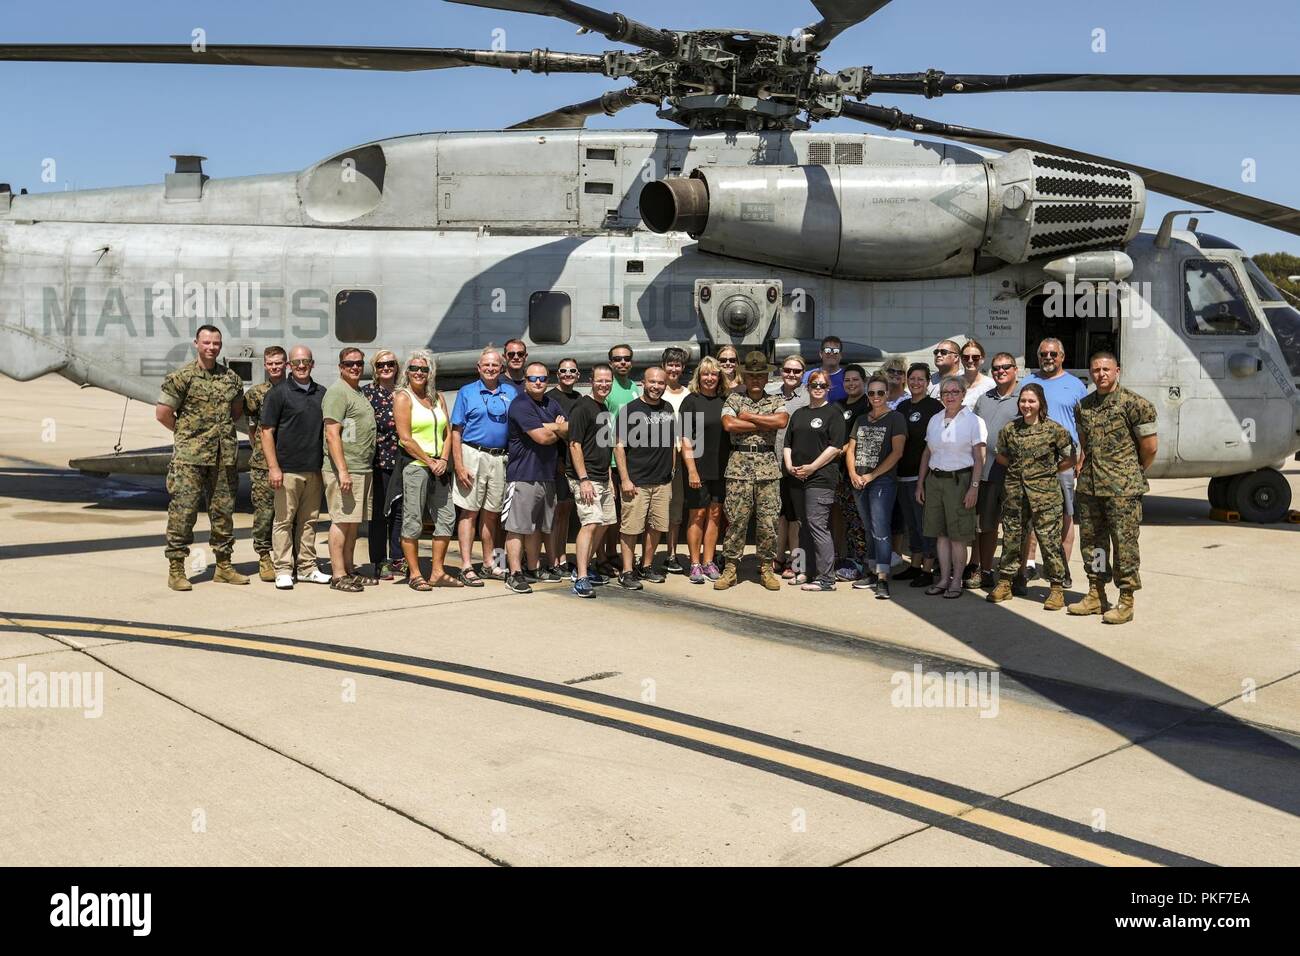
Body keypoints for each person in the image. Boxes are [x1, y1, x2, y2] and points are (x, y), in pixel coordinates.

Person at [156, 324, 249, 591]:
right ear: (196, 343)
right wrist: (186, 435)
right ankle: (176, 569)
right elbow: (163, 413)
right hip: (190, 459)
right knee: (183, 514)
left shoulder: (231, 378)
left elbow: (236, 412)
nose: (211, 348)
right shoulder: (182, 377)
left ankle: (224, 566)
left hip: (223, 458)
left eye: (216, 343)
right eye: (206, 343)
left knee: (223, 513)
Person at [1069, 352, 1158, 625]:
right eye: (1096, 370)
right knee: (1094, 545)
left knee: (1124, 545)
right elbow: (1084, 443)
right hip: (1090, 488)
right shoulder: (1083, 406)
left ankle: (1126, 599)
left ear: (1117, 370)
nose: (1101, 375)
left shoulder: (1136, 404)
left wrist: (1131, 473)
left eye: (1106, 369)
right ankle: (1096, 593)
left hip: (1123, 489)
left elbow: (1150, 448)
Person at [987, 384, 1075, 610]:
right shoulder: (1010, 429)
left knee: (1050, 540)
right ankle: (1006, 581)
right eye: (1023, 401)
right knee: (1012, 537)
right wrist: (1021, 471)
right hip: (1015, 493)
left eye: (1031, 401)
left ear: (1040, 404)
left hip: (1045, 495)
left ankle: (1056, 588)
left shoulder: (1054, 430)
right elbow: (1001, 457)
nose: (1026, 405)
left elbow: (1070, 458)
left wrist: (1046, 472)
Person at [259, 345, 330, 589]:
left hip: (314, 469)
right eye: (297, 362)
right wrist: (273, 467)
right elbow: (266, 432)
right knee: (283, 521)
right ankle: (283, 569)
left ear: (312, 364)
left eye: (305, 362)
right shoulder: (278, 394)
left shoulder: (321, 393)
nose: (301, 366)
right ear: (290, 365)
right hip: (287, 469)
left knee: (309, 521)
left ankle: (307, 567)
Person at [716, 351, 789, 591]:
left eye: (761, 376)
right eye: (751, 376)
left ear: (767, 379)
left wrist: (747, 417)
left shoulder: (776, 401)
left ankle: (767, 568)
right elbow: (728, 424)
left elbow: (781, 422)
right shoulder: (734, 400)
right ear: (744, 377)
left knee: (768, 523)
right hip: (738, 468)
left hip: (768, 468)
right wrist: (761, 419)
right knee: (736, 520)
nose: (756, 380)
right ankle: (730, 568)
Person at [1020, 337, 1089, 587]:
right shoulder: (1028, 382)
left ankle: (1061, 568)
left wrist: (1082, 457)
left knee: (1066, 515)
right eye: (1043, 354)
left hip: (1064, 459)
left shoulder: (1075, 386)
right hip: (1032, 459)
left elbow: (1083, 426)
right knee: (1031, 514)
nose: (1048, 358)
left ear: (1062, 357)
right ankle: (1028, 564)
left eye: (1053, 354)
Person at [390, 351, 460, 590]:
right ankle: (415, 573)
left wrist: (443, 458)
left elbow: (447, 432)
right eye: (414, 368)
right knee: (412, 520)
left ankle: (438, 572)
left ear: (430, 373)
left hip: (439, 466)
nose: (419, 373)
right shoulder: (402, 397)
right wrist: (429, 462)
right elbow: (405, 439)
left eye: (424, 369)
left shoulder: (438, 397)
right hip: (416, 467)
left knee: (447, 517)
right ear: (407, 372)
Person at [450, 348, 519, 586]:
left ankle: (490, 563)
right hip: (473, 454)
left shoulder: (510, 391)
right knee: (470, 511)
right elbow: (456, 431)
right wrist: (458, 464)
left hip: (500, 458)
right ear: (478, 368)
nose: (491, 368)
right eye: (486, 365)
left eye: (495, 365)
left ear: (502, 368)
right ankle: (467, 565)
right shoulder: (467, 392)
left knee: (492, 513)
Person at [916, 376, 986, 598]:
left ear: (963, 394)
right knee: (941, 535)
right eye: (946, 392)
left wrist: (974, 487)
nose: (950, 396)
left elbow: (979, 457)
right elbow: (927, 452)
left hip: (960, 481)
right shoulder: (935, 419)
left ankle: (957, 580)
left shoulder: (974, 421)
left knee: (958, 536)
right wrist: (920, 484)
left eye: (955, 392)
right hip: (935, 481)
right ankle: (944, 579)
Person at [502, 363, 568, 594]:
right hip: (523, 475)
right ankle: (514, 573)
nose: (538, 382)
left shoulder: (552, 403)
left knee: (538, 526)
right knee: (517, 527)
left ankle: (532, 568)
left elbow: (567, 428)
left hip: (546, 475)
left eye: (542, 378)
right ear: (526, 381)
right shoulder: (521, 404)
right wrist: (554, 428)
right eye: (533, 378)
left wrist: (554, 429)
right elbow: (542, 437)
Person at [613, 366, 677, 589]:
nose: (656, 387)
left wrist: (672, 472)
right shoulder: (630, 410)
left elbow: (671, 444)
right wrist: (625, 479)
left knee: (656, 526)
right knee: (631, 529)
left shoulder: (668, 408)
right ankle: (627, 571)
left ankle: (646, 566)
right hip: (636, 482)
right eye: (652, 382)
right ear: (643, 382)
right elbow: (618, 446)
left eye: (660, 383)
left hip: (662, 481)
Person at [783, 369, 846, 591]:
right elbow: (787, 443)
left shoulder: (834, 413)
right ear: (807, 387)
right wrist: (790, 465)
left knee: (818, 525)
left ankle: (826, 578)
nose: (818, 388)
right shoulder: (799, 414)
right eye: (814, 384)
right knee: (801, 525)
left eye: (822, 385)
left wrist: (812, 467)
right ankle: (803, 570)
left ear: (829, 388)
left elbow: (835, 447)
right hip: (796, 477)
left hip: (820, 478)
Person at [322, 347, 379, 592]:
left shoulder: (357, 392)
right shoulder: (337, 392)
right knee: (341, 521)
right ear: (340, 366)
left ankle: (349, 569)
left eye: (358, 363)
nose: (354, 367)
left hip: (362, 468)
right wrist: (342, 471)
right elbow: (332, 434)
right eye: (349, 363)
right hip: (346, 470)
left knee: (353, 523)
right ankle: (337, 575)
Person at [846, 373, 906, 599]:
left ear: (888, 394)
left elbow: (897, 452)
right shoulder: (861, 419)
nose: (876, 397)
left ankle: (883, 578)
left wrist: (871, 475)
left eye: (880, 392)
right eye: (871, 393)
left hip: (882, 481)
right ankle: (871, 571)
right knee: (869, 528)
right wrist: (853, 473)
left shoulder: (895, 418)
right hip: (859, 480)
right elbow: (851, 449)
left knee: (881, 528)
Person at [566, 364, 618, 597]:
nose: (604, 385)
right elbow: (574, 444)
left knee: (605, 522)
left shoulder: (604, 408)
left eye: (608, 381)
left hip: (602, 477)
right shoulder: (582, 407)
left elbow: (604, 447)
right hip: (585, 478)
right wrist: (584, 479)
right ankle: (582, 576)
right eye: (600, 381)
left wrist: (609, 477)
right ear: (591, 381)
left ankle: (584, 565)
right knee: (590, 523)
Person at [972, 353, 1021, 591]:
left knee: (1016, 527)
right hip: (987, 473)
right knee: (987, 526)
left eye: (1005, 367)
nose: (1000, 371)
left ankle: (1017, 574)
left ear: (1015, 370)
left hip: (1014, 475)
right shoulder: (984, 399)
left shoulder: (1025, 398)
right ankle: (986, 570)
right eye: (996, 368)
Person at [680, 356, 731, 583]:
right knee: (697, 514)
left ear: (719, 377)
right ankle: (695, 564)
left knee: (715, 514)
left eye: (713, 374)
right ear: (698, 376)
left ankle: (709, 561)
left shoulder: (726, 400)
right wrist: (691, 470)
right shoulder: (691, 401)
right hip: (697, 468)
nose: (709, 378)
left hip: (721, 467)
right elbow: (685, 438)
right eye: (705, 374)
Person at [894, 363, 943, 589]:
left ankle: (927, 567)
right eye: (912, 378)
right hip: (901, 476)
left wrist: (923, 480)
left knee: (925, 524)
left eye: (920, 379)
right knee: (911, 524)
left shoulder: (934, 407)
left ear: (927, 382)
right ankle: (914, 564)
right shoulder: (902, 407)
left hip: (922, 476)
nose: (915, 383)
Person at [242, 345, 286, 583]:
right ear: (265, 366)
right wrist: (256, 443)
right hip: (262, 464)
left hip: (291, 461)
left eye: (279, 362)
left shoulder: (294, 390)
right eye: (271, 363)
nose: (275, 367)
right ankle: (264, 555)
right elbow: (249, 422)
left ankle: (288, 556)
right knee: (265, 512)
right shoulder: (256, 393)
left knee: (290, 514)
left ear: (286, 364)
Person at [362, 349, 404, 580]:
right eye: (380, 365)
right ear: (375, 369)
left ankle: (397, 557)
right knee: (378, 514)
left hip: (403, 460)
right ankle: (379, 561)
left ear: (396, 367)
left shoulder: (404, 393)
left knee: (399, 511)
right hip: (378, 461)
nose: (386, 368)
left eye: (389, 364)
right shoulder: (367, 394)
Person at [769, 354, 808, 578]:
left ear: (803, 374)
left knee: (798, 518)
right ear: (781, 371)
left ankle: (798, 562)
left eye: (797, 371)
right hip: (773, 464)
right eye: (788, 370)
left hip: (797, 466)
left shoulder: (806, 396)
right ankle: (779, 557)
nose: (791, 374)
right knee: (780, 515)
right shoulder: (771, 395)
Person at [601, 344, 640, 568]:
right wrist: (606, 468)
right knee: (608, 515)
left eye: (626, 358)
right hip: (610, 460)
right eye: (617, 359)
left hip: (629, 460)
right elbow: (602, 429)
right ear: (611, 363)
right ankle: (604, 557)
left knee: (624, 514)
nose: (622, 362)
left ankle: (615, 554)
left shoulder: (634, 387)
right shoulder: (607, 388)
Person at [543, 358, 582, 578]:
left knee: (567, 512)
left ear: (578, 375)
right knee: (555, 513)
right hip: (556, 463)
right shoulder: (549, 398)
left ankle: (563, 556)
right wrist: (560, 430)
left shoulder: (579, 399)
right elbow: (548, 432)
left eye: (572, 371)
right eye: (563, 371)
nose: (568, 374)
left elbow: (576, 431)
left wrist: (561, 428)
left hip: (573, 463)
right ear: (557, 374)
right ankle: (553, 559)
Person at [832, 365, 870, 578]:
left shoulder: (868, 405)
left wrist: (837, 451)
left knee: (858, 518)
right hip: (839, 472)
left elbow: (858, 440)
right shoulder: (837, 405)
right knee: (844, 515)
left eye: (855, 380)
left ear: (863, 381)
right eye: (847, 380)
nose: (851, 384)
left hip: (859, 470)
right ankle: (844, 557)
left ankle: (859, 562)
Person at [659, 346, 692, 575]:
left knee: (676, 508)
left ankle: (671, 554)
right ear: (663, 366)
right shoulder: (656, 390)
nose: (673, 369)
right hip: (656, 457)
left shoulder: (688, 394)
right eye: (670, 364)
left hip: (679, 457)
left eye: (677, 365)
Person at [802, 335, 847, 402]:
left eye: (836, 351)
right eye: (827, 350)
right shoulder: (808, 376)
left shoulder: (847, 377)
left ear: (841, 355)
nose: (831, 354)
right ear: (821, 354)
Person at [958, 339, 995, 407]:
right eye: (966, 357)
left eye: (975, 357)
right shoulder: (953, 382)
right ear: (961, 359)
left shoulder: (991, 385)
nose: (970, 360)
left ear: (982, 359)